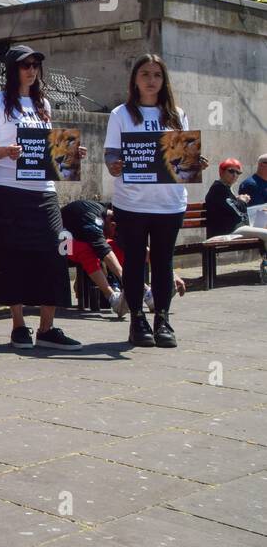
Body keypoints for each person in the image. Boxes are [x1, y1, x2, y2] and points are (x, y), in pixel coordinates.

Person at [0, 45, 86, 351]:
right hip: (6, 187)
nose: (31, 70)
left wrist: (69, 154)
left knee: (54, 251)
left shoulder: (44, 103)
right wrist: (4, 151)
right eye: (24, 65)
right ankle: (18, 326)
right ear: (12, 69)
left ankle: (47, 327)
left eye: (35, 65)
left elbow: (48, 149)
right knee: (10, 255)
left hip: (42, 190)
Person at [105, 54, 206, 348]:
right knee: (135, 262)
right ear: (135, 79)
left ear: (164, 81)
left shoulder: (176, 114)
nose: (151, 80)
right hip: (132, 203)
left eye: (157, 75)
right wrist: (115, 164)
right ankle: (137, 319)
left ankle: (163, 318)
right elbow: (111, 153)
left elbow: (184, 155)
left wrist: (196, 161)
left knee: (164, 262)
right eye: (145, 74)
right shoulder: (121, 114)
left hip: (170, 202)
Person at [204, 157, 267, 283]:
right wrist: (242, 201)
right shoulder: (218, 188)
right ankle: (265, 267)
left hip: (237, 227)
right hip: (228, 230)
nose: (235, 175)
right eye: (231, 171)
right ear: (221, 172)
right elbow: (236, 210)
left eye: (238, 173)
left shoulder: (227, 188)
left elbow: (235, 208)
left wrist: (239, 201)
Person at [61, 200, 127, 317]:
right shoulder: (94, 218)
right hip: (61, 242)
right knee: (88, 250)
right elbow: (102, 248)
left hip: (78, 239)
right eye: (115, 234)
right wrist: (124, 278)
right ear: (113, 225)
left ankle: (147, 293)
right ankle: (113, 298)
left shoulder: (104, 214)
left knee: (113, 246)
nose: (114, 236)